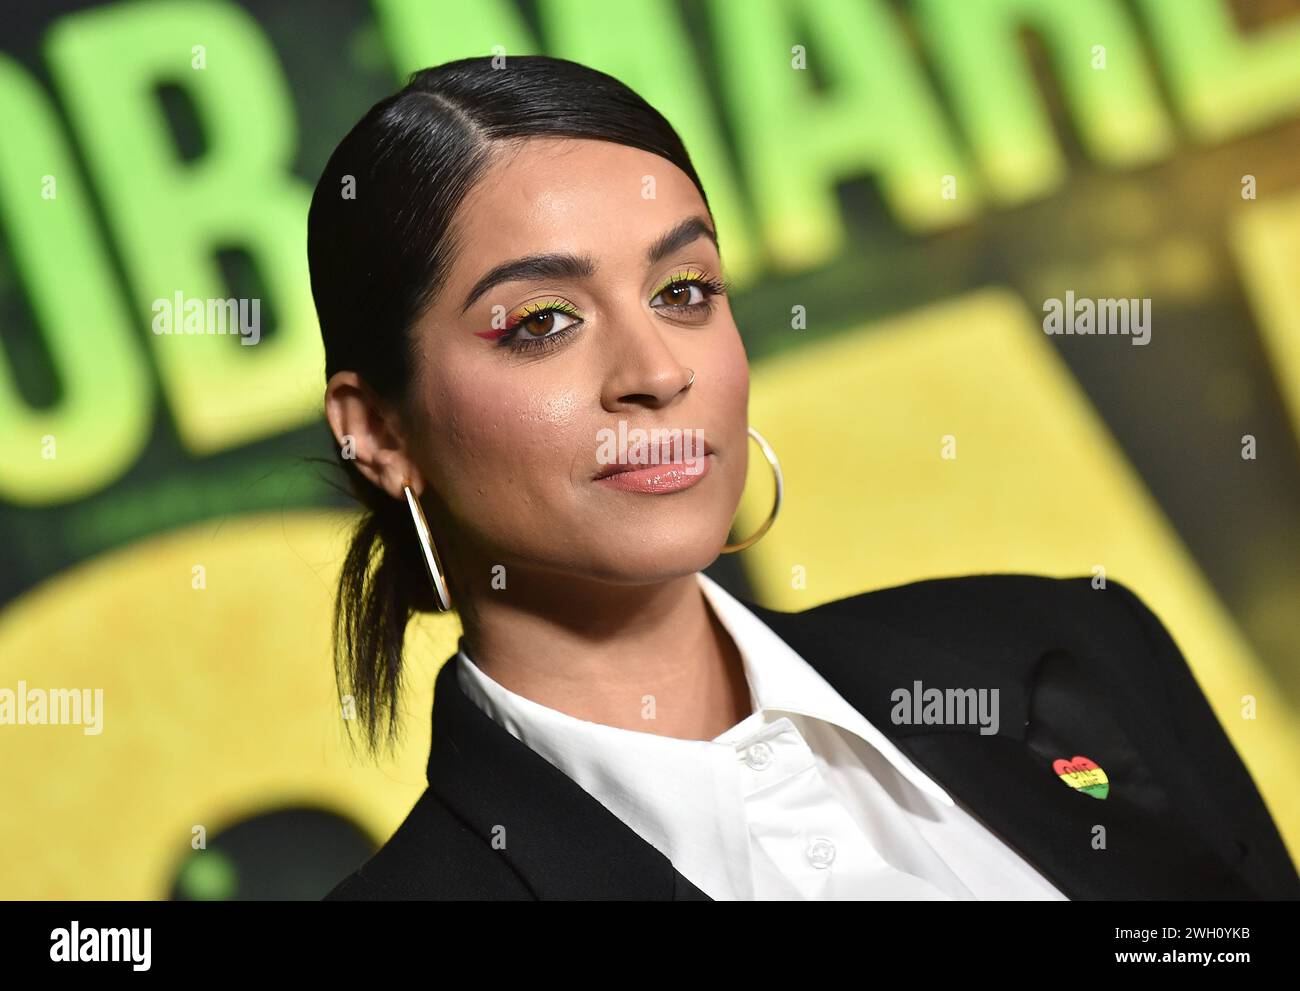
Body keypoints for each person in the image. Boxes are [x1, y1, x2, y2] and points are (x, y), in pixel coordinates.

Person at [307, 54, 1298, 900]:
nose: (657, 372)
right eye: (542, 322)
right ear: (378, 430)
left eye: (683, 291)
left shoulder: (1067, 653)